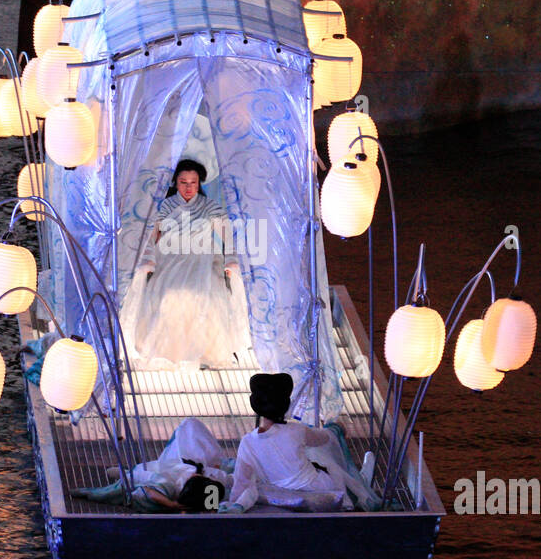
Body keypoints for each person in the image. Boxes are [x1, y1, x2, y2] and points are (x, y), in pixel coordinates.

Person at [120, 158, 249, 369]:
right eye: (183, 182)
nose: (189, 187)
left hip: (202, 258)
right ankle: (167, 352)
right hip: (169, 258)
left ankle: (205, 352)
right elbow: (150, 237)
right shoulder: (164, 207)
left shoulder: (209, 207)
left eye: (193, 182)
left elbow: (227, 235)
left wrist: (231, 258)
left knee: (206, 294)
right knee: (166, 295)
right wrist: (148, 258)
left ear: (199, 184)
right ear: (176, 183)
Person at [220, 372, 383, 513]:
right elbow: (324, 438)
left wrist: (234, 502)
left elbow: (241, 481)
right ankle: (360, 490)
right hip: (317, 488)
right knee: (325, 460)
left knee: (318, 459)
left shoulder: (247, 442)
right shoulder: (296, 431)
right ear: (284, 405)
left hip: (280, 494)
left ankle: (359, 486)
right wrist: (336, 428)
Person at [70, 417, 232, 513]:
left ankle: (125, 473)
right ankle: (125, 473)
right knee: (190, 429)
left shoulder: (169, 484)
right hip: (175, 465)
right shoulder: (205, 478)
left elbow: (147, 491)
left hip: (165, 467)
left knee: (188, 430)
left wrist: (172, 504)